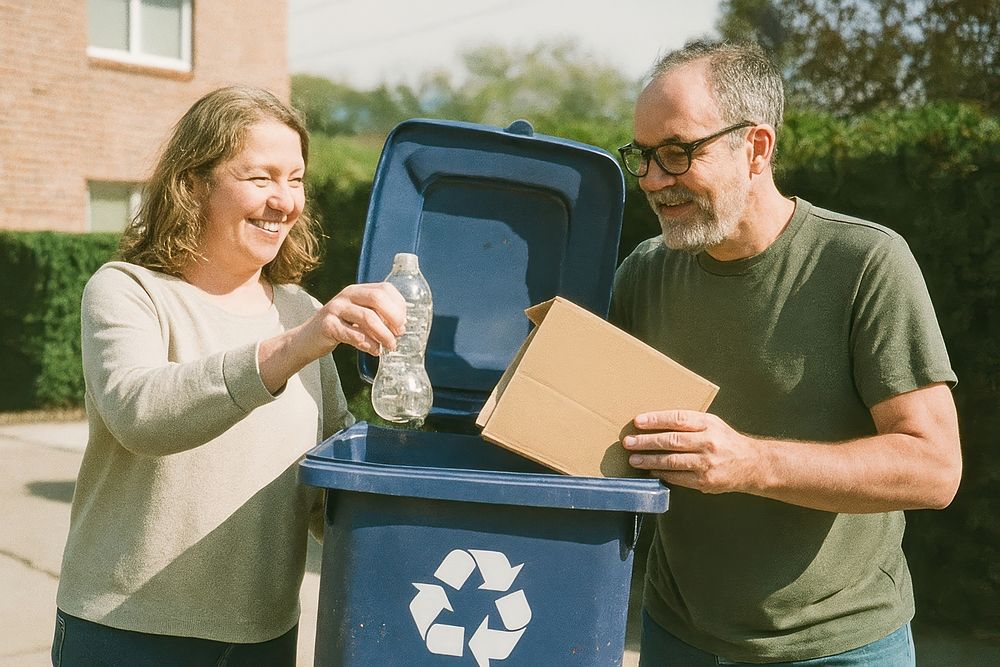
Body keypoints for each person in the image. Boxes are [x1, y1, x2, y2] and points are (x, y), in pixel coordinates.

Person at [611, 40, 961, 666]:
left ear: (756, 148)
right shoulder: (644, 272)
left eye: (678, 152)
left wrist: (750, 462)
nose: (654, 180)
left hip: (841, 646)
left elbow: (934, 469)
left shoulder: (865, 263)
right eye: (643, 155)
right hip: (678, 635)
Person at [53, 85, 406, 665]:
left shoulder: (298, 309)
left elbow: (327, 488)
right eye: (261, 178)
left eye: (295, 180)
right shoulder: (130, 291)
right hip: (128, 631)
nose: (284, 201)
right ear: (194, 183)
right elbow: (141, 414)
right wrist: (294, 346)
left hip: (262, 637)